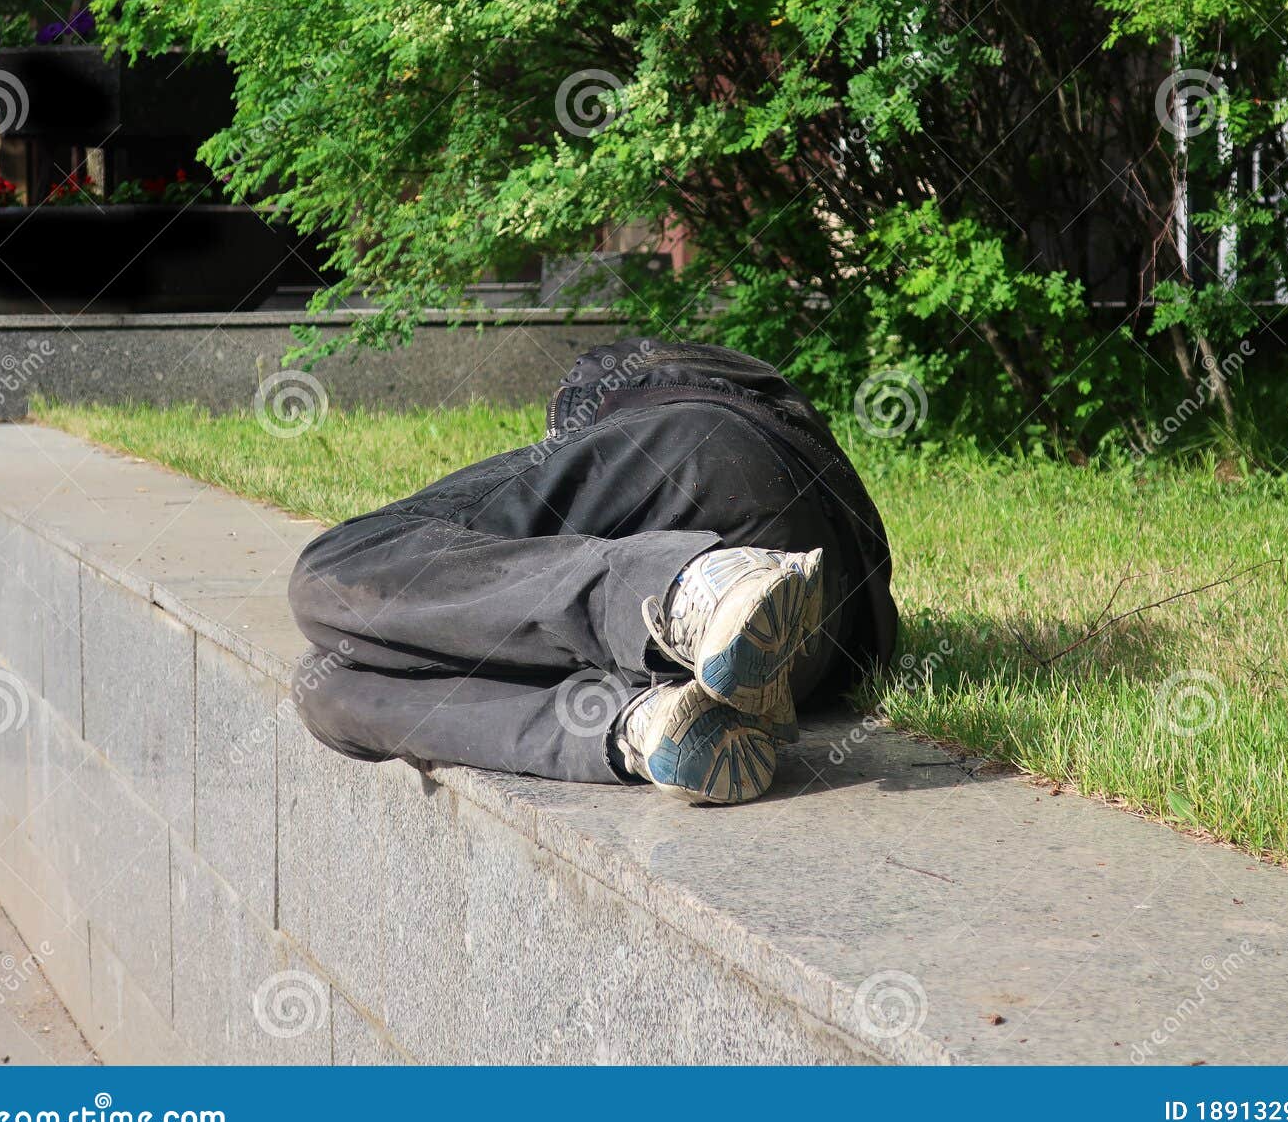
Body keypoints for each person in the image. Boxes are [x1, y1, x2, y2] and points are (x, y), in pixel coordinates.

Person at [286, 337, 897, 805]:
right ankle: (647, 723)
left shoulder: (610, 380)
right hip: (826, 639)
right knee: (326, 691)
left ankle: (685, 593)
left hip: (701, 461)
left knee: (333, 568)